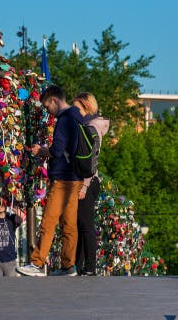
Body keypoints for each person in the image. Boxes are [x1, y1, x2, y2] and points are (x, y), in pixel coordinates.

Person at [17, 85, 84, 277]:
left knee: (48, 221)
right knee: (69, 225)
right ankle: (68, 265)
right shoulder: (78, 116)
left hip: (62, 178)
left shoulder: (64, 120)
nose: (49, 112)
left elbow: (57, 150)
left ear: (54, 101)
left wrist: (42, 151)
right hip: (75, 177)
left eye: (47, 107)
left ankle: (37, 263)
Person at [72, 92, 109, 276]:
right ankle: (78, 266)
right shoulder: (89, 125)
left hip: (88, 182)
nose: (75, 112)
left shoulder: (91, 127)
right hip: (88, 181)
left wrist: (84, 186)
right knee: (80, 224)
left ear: (86, 106)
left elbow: (90, 160)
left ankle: (90, 267)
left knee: (85, 225)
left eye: (77, 108)